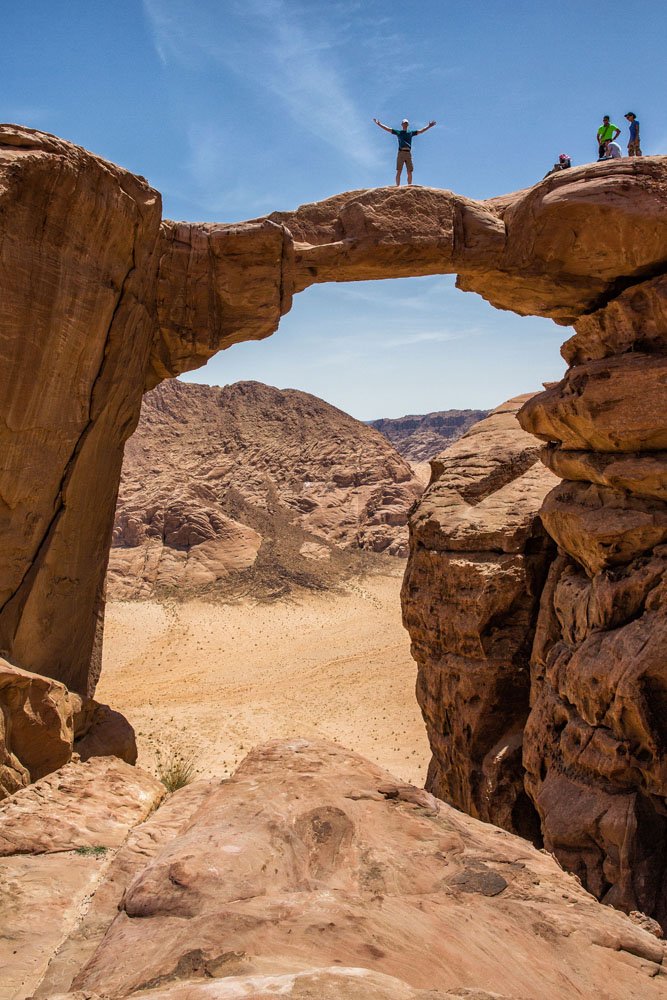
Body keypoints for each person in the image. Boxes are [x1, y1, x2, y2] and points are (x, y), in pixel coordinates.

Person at [373, 117, 437, 186]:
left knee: (409, 171)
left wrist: (429, 126)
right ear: (402, 124)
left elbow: (421, 131)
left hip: (408, 153)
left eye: (406, 123)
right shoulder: (399, 132)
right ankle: (397, 187)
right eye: (404, 123)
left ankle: (409, 186)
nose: (405, 124)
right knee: (399, 171)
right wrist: (379, 124)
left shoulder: (410, 133)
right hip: (401, 153)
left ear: (408, 125)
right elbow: (388, 129)